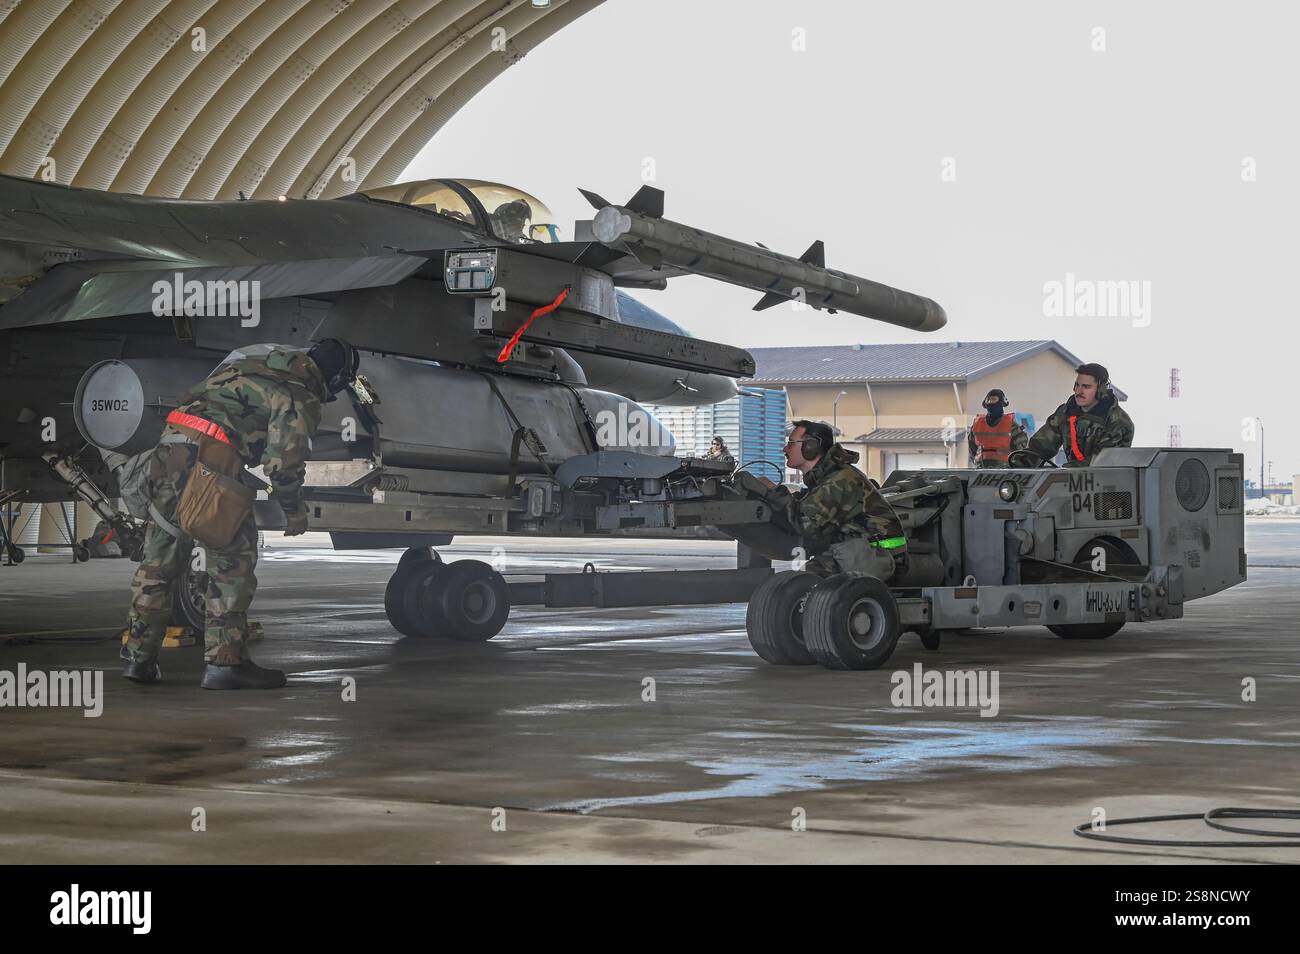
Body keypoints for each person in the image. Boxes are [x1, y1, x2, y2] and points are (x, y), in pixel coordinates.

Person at [121, 340, 359, 690]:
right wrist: (294, 512)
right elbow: (282, 464)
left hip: (166, 454)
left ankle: (138, 659)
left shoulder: (247, 367)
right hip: (212, 465)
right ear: (336, 379)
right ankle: (225, 663)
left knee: (159, 561)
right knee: (232, 562)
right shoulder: (298, 394)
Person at [759, 420, 907, 580]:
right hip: (853, 551)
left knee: (809, 588)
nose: (785, 449)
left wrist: (773, 492)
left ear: (811, 446)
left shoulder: (841, 478)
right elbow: (801, 508)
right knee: (800, 585)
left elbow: (804, 524)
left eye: (791, 443)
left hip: (878, 557)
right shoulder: (824, 479)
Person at [1024, 362, 1134, 467]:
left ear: (1101, 390)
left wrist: (1065, 472)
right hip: (1072, 479)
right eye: (1077, 385)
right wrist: (1022, 462)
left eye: (1086, 387)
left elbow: (1103, 461)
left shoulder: (1117, 420)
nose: (1079, 391)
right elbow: (1041, 446)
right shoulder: (1065, 412)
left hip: (1106, 482)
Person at [968, 388, 1027, 468]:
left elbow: (1020, 449)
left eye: (993, 399)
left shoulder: (1011, 424)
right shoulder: (978, 424)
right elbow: (971, 446)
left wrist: (1013, 465)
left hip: (1004, 470)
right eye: (988, 400)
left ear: (1001, 402)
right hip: (981, 468)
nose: (990, 402)